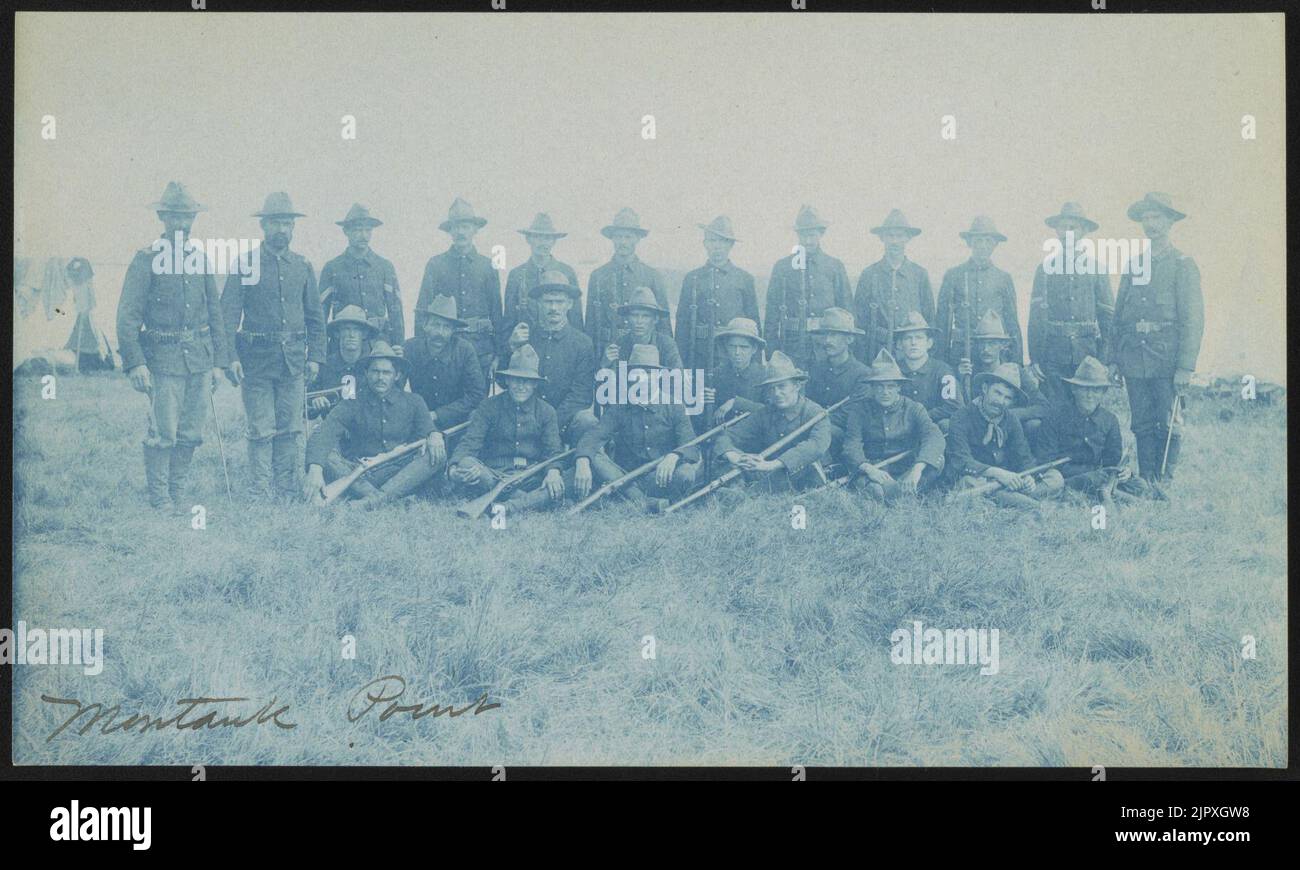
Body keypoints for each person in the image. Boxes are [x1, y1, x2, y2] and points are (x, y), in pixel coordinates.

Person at [115, 181, 230, 511]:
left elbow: (216, 313)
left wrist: (219, 363)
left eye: (187, 218)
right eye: (175, 218)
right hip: (163, 360)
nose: (182, 224)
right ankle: (160, 496)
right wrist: (135, 363)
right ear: (163, 218)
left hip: (199, 360)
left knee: (191, 430)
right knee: (164, 430)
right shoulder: (145, 259)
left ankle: (178, 490)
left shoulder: (201, 259)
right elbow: (127, 316)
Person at [220, 191, 326, 500]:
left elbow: (315, 318)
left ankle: (287, 489)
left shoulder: (303, 266)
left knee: (291, 428)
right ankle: (259, 491)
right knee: (260, 429)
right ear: (263, 226)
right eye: (275, 223)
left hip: (293, 360)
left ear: (294, 228)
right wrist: (231, 358)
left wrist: (316, 357)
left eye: (287, 223)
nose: (282, 229)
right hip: (256, 361)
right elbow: (228, 316)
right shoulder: (246, 264)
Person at [1110, 192, 1203, 484]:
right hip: (1134, 357)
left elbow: (1193, 319)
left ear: (1170, 221)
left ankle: (1164, 479)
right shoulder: (1134, 265)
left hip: (1167, 357)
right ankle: (1146, 475)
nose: (1151, 224)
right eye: (1146, 218)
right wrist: (1113, 360)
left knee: (1168, 421)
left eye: (1157, 217)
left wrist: (1185, 366)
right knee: (1141, 421)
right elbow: (1119, 316)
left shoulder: (1183, 264)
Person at [303, 341, 441, 507]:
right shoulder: (352, 402)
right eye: (375, 372)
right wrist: (316, 468)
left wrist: (434, 435)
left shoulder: (414, 401)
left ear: (397, 375)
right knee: (326, 456)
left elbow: (428, 431)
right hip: (358, 473)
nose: (380, 378)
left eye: (386, 372)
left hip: (400, 472)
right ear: (366, 373)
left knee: (436, 456)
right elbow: (325, 432)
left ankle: (370, 501)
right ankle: (385, 499)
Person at [574, 344, 701, 513]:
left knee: (685, 473)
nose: (642, 380)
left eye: (648, 373)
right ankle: (647, 504)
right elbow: (594, 436)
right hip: (622, 476)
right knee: (593, 456)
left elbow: (691, 446)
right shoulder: (621, 406)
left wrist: (673, 456)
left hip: (659, 478)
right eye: (636, 375)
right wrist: (582, 461)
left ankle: (628, 501)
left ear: (659, 377)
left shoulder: (674, 406)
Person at [448, 344, 568, 513]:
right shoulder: (488, 406)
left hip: (530, 477)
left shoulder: (547, 411)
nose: (521, 386)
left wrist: (554, 472)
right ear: (507, 380)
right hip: (493, 475)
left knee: (559, 480)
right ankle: (532, 501)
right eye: (516, 379)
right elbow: (470, 442)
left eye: (527, 381)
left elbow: (554, 451)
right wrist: (453, 468)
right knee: (467, 464)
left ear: (535, 384)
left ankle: (507, 506)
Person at [1034, 356, 1155, 502]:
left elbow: (1112, 460)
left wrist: (1124, 472)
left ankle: (1113, 493)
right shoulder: (1055, 416)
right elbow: (1045, 461)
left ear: (1103, 392)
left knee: (1139, 485)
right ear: (1074, 389)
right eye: (1084, 389)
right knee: (1088, 482)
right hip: (1065, 477)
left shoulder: (1109, 420)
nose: (1090, 395)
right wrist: (1087, 474)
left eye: (1096, 390)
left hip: (1099, 475)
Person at [944, 362, 1064, 508]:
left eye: (1007, 398)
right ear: (985, 388)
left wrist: (1028, 478)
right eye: (997, 393)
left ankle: (1007, 499)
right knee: (968, 483)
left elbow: (1024, 457)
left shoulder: (1011, 419)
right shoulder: (962, 416)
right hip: (979, 478)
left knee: (1055, 478)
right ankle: (1028, 504)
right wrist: (997, 473)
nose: (1000, 401)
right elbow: (961, 461)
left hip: (1009, 480)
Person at [712, 351, 832, 494]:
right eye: (772, 388)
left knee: (798, 470)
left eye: (782, 386)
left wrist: (771, 465)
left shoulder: (815, 413)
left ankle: (745, 495)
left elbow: (815, 447)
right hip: (768, 471)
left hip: (803, 473)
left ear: (796, 386)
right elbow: (727, 436)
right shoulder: (765, 413)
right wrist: (735, 456)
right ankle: (739, 491)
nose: (776, 393)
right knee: (725, 462)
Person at [1027, 202, 1113, 400]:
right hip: (1054, 355)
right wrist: (1036, 358)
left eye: (1072, 227)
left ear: (1083, 231)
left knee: (1085, 407)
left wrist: (1105, 359)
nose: (1067, 232)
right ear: (1056, 231)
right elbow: (1036, 318)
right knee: (1055, 409)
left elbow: (1108, 318)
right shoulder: (1045, 269)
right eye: (1063, 227)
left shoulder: (1097, 269)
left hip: (1088, 354)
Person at [504, 271, 598, 445]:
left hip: (563, 422)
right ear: (539, 303)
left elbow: (581, 395)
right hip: (525, 419)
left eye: (559, 302)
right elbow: (505, 383)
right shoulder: (524, 337)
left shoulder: (582, 343)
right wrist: (512, 347)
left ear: (569, 304)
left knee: (587, 421)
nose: (553, 308)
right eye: (548, 302)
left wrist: (550, 423)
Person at [842, 350, 946, 501]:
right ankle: (898, 494)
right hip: (874, 470)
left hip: (907, 468)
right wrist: (868, 468)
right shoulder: (860, 411)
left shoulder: (914, 408)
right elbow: (851, 445)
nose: (885, 392)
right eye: (879, 386)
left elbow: (934, 436)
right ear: (872, 388)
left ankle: (901, 490)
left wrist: (917, 469)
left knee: (938, 460)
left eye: (890, 386)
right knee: (873, 488)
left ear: (899, 387)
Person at [415, 197, 502, 378]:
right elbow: (422, 311)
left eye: (466, 227)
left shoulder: (488, 265)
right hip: (445, 348)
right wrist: (421, 350)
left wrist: (499, 355)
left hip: (480, 350)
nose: (460, 232)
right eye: (455, 227)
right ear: (450, 231)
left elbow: (497, 313)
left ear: (475, 229)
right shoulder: (436, 264)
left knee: (478, 402)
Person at [764, 205, 851, 369]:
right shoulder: (783, 267)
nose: (808, 240)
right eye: (804, 235)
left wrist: (846, 347)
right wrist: (772, 351)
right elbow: (772, 314)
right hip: (791, 343)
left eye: (812, 234)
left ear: (821, 234)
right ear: (798, 235)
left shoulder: (834, 266)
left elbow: (846, 310)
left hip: (827, 343)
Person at [935, 216, 1023, 371]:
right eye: (978, 240)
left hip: (995, 354)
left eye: (988, 241)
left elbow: (1012, 322)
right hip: (961, 352)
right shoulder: (954, 275)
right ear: (970, 243)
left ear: (995, 244)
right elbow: (943, 322)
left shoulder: (1003, 278)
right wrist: (941, 361)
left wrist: (1017, 362)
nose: (983, 245)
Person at [675, 216, 760, 370]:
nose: (717, 246)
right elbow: (682, 323)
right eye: (712, 241)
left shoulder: (744, 278)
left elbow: (753, 321)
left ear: (731, 245)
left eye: (722, 241)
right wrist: (680, 359)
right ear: (705, 244)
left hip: (732, 354)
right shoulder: (692, 278)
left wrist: (756, 363)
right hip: (699, 352)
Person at [854, 209, 935, 363]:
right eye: (890, 236)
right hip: (877, 349)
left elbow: (929, 316)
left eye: (900, 236)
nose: (895, 241)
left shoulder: (919, 274)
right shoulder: (869, 274)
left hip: (910, 351)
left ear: (908, 238)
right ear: (882, 238)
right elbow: (860, 319)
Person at [585, 207, 671, 352]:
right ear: (612, 238)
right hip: (607, 348)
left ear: (637, 239)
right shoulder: (598, 275)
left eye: (628, 237)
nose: (622, 242)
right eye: (618, 237)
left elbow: (663, 325)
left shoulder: (652, 276)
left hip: (642, 349)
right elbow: (591, 322)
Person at [318, 204, 404, 347]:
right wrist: (320, 351)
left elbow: (396, 311)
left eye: (368, 230)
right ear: (346, 231)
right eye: (358, 230)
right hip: (343, 345)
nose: (364, 235)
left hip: (378, 344)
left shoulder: (385, 267)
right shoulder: (332, 268)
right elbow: (321, 314)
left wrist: (398, 345)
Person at [500, 212, 583, 355]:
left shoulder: (566, 272)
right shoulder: (517, 274)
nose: (543, 243)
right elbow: (509, 320)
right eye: (537, 237)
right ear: (528, 239)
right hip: (525, 348)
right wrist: (504, 351)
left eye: (547, 238)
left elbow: (576, 318)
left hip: (559, 347)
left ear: (554, 241)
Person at [402, 294, 487, 430]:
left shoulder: (464, 350)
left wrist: (438, 414)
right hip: (420, 422)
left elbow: (477, 395)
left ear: (453, 330)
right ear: (425, 325)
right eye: (436, 325)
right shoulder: (410, 348)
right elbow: (396, 389)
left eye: (446, 327)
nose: (440, 333)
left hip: (457, 422)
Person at [805, 307, 871, 460]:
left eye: (833, 335)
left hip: (844, 436)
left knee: (826, 432)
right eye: (825, 335)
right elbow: (807, 402)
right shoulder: (816, 368)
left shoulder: (863, 374)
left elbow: (851, 416)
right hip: (814, 427)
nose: (827, 341)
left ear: (849, 339)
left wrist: (814, 422)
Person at [891, 310, 963, 432]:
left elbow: (954, 406)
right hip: (897, 430)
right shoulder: (892, 371)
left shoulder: (942, 371)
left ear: (929, 343)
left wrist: (922, 417)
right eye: (908, 338)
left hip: (931, 429)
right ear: (899, 344)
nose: (913, 343)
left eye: (919, 338)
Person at [310, 304, 378, 420]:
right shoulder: (325, 366)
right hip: (333, 429)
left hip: (367, 431)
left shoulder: (374, 365)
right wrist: (315, 401)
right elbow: (306, 406)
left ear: (364, 334)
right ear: (337, 333)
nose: (351, 335)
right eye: (346, 329)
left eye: (356, 330)